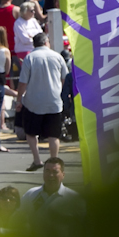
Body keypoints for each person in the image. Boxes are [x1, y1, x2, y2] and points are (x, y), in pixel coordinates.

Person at [14, 33, 68, 171]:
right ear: (46, 42)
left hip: (33, 102)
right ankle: (53, 161)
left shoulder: (30, 58)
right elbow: (64, 78)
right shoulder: (57, 56)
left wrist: (19, 100)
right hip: (54, 101)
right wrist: (58, 90)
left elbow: (23, 83)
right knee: (53, 134)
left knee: (30, 132)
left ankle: (37, 160)